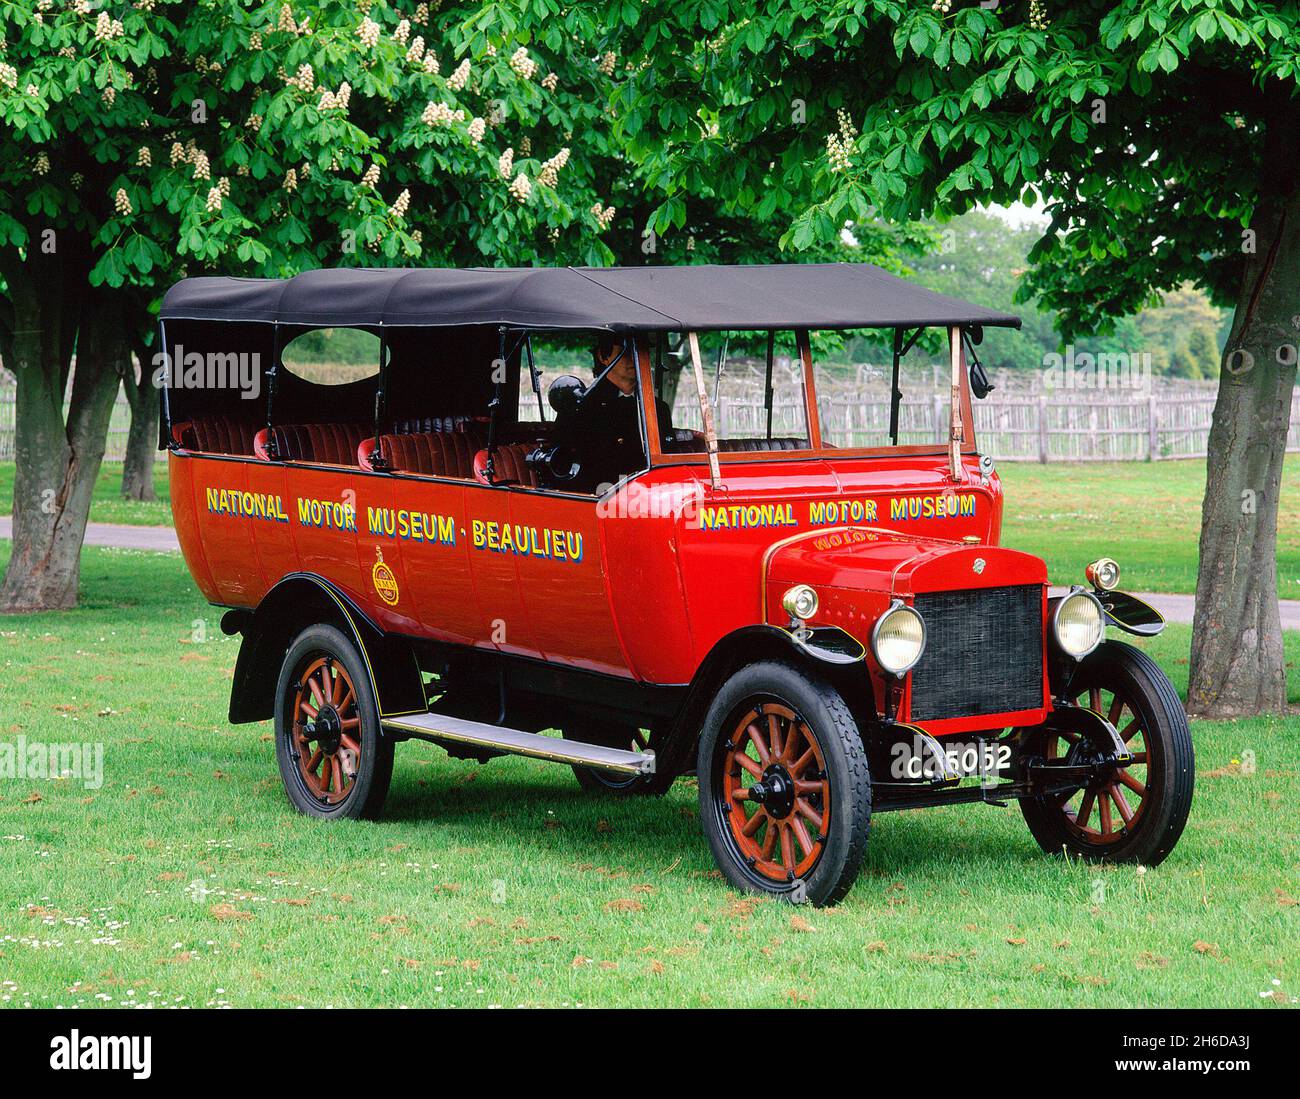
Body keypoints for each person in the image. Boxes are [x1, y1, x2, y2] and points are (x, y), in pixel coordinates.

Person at [552, 334, 670, 493]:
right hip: (600, 501)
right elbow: (565, 469)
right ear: (603, 356)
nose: (636, 358)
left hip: (654, 497)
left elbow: (668, 460)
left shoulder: (659, 409)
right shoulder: (581, 408)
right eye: (627, 351)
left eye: (642, 351)